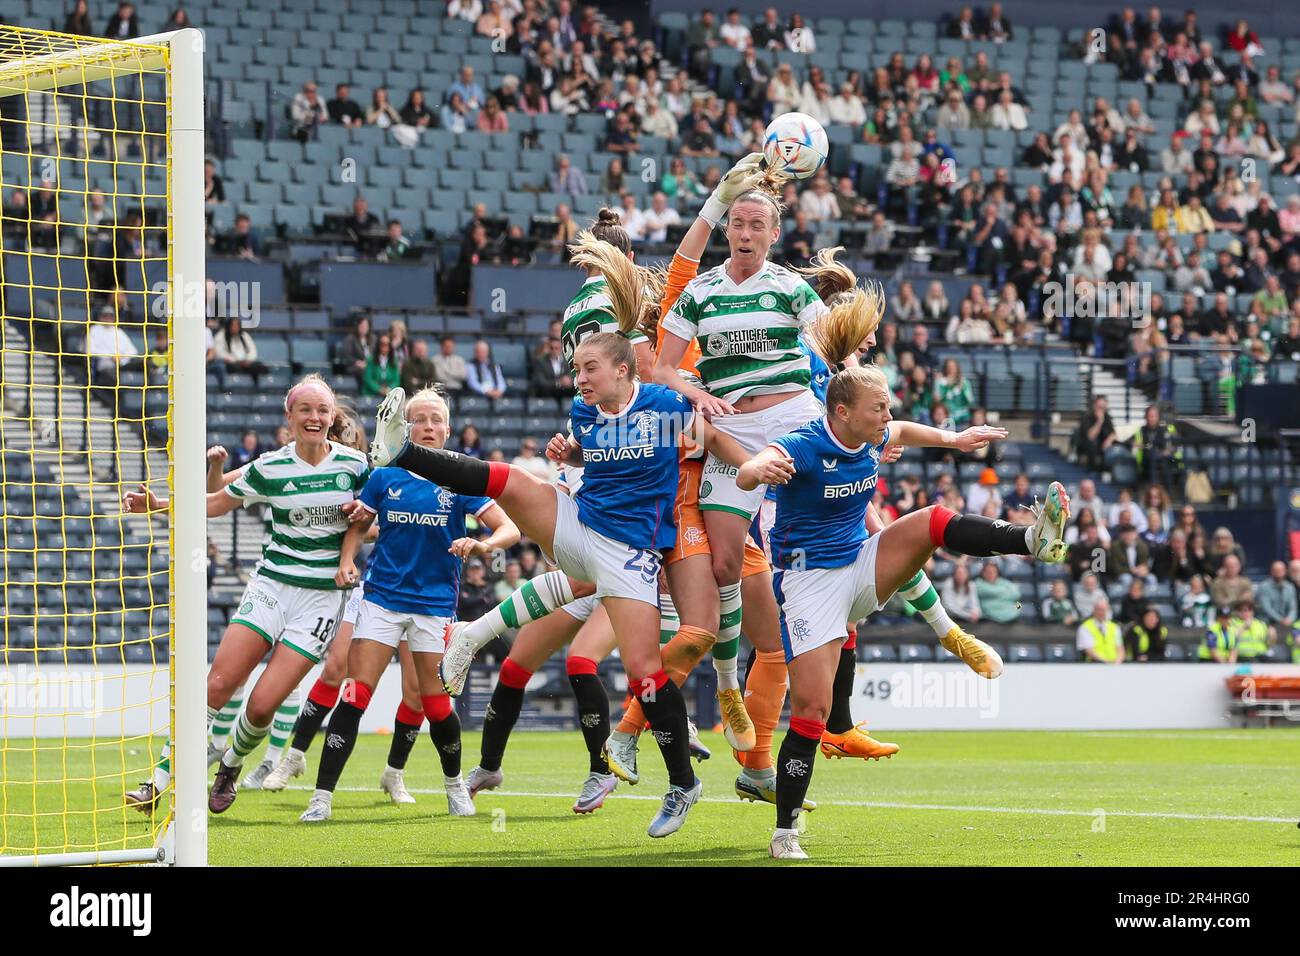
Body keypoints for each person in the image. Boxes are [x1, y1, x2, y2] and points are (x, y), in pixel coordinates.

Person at [367, 330, 766, 838]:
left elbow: (712, 441)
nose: (579, 378)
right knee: (510, 480)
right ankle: (400, 454)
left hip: (630, 554)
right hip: (581, 526)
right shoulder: (586, 411)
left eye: (589, 368)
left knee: (646, 672)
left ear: (623, 369)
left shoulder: (666, 406)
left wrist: (750, 464)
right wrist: (572, 453)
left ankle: (683, 784)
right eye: (576, 369)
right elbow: (593, 454)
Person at [734, 364, 1072, 858]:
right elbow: (753, 465)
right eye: (879, 408)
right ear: (842, 412)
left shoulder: (872, 432)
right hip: (809, 584)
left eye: (888, 405)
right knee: (811, 711)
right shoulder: (805, 443)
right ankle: (785, 831)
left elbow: (905, 431)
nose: (888, 416)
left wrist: (954, 440)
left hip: (860, 563)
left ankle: (1031, 540)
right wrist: (754, 470)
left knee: (930, 520)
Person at [123, 375, 369, 814]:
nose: (314, 417)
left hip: (320, 602)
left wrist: (360, 527)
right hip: (271, 588)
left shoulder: (356, 468)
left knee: (261, 706)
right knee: (216, 685)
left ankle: (231, 766)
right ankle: (157, 782)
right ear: (289, 416)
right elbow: (217, 501)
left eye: (322, 411)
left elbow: (373, 524)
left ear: (332, 418)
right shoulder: (269, 466)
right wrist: (159, 506)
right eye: (305, 410)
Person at [298, 389, 519, 822]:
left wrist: (482, 543)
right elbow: (359, 524)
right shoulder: (385, 475)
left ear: (448, 429)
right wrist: (346, 560)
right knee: (355, 693)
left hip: (434, 606)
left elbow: (508, 528)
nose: (429, 427)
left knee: (436, 705)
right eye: (420, 420)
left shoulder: (461, 477)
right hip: (382, 599)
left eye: (436, 420)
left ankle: (455, 788)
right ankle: (321, 798)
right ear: (407, 427)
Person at [1076, 596, 1124, 664]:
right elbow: (1089, 651)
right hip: (1094, 664)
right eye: (1099, 609)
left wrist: (1117, 663)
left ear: (1108, 610)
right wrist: (1106, 662)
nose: (1101, 612)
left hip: (1114, 664)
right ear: (1094, 610)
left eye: (1104, 609)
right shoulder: (1084, 627)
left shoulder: (1115, 627)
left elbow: (1120, 649)